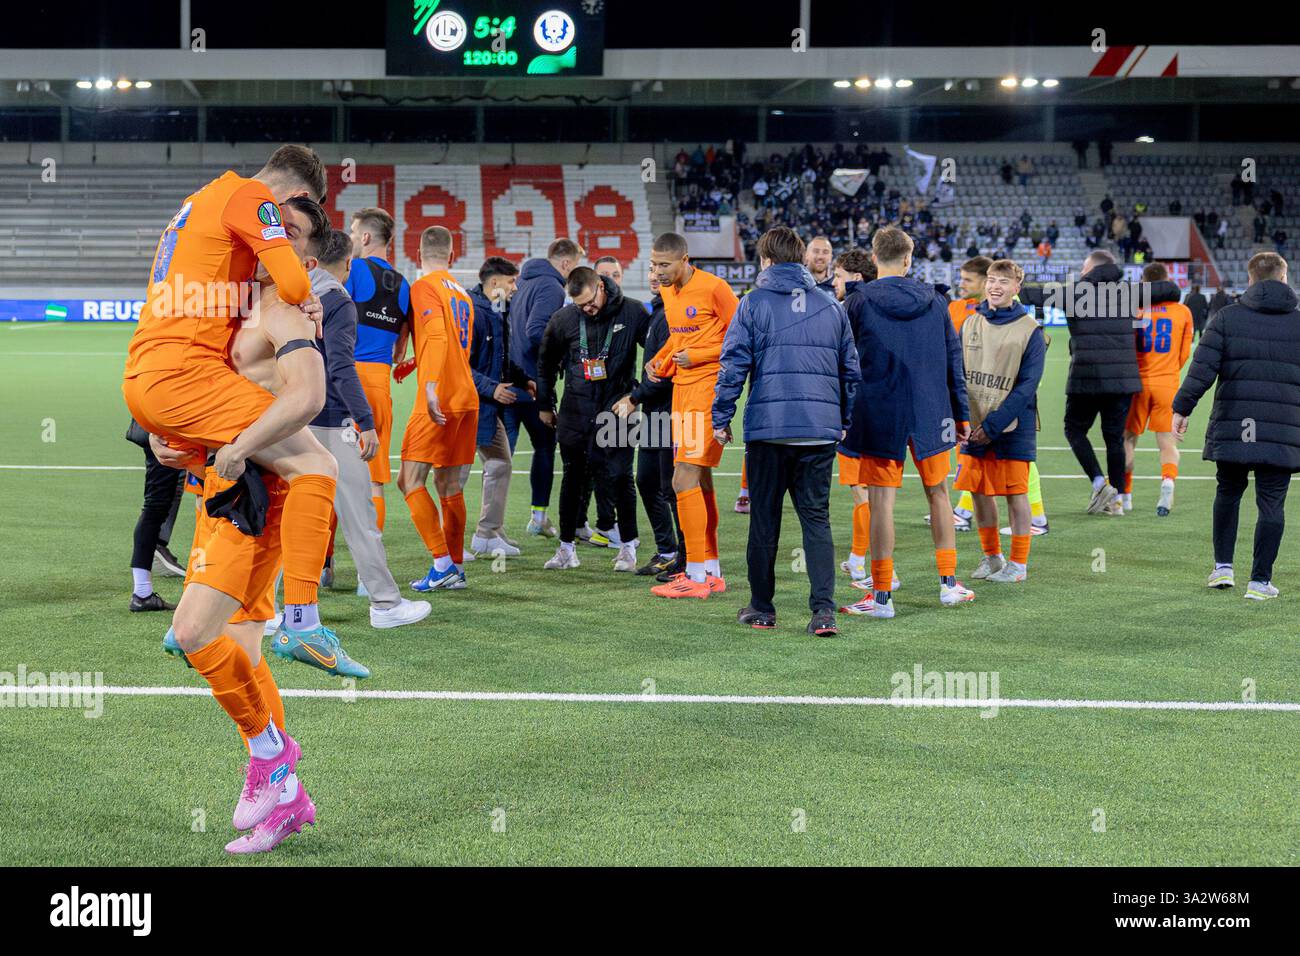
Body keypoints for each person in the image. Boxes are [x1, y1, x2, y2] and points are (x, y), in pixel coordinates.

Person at [122, 147, 346, 839]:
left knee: (192, 635)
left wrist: (240, 446)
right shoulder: (235, 295)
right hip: (222, 487)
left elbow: (308, 397)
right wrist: (175, 438)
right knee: (233, 654)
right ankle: (280, 788)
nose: (275, 243)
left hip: (255, 496)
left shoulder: (281, 304)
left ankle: (300, 643)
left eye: (292, 238)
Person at [713, 226, 860, 635]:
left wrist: (721, 418)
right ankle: (823, 611)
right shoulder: (831, 305)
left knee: (764, 520)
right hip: (818, 431)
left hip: (769, 431)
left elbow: (733, 366)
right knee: (817, 520)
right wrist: (842, 420)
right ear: (800, 260)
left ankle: (762, 607)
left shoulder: (752, 303)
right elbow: (851, 371)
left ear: (765, 261)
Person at [837, 226, 972, 619]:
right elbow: (953, 362)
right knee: (940, 493)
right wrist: (961, 414)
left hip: (878, 410)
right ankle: (948, 585)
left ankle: (881, 597)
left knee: (881, 503)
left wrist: (842, 413)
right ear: (909, 259)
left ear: (874, 258)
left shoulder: (857, 300)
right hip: (931, 411)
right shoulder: (935, 300)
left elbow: (844, 363)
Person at [303, 225, 431, 629]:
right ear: (346, 263)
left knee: (292, 512)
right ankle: (383, 602)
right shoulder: (342, 295)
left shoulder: (292, 294)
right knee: (361, 503)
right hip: (347, 403)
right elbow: (346, 364)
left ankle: (281, 609)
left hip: (294, 412)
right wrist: (365, 423)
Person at [1173, 252, 1300, 599]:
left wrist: (1182, 408)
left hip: (1236, 423)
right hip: (1282, 428)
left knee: (1228, 491)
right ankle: (1259, 582)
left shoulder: (1227, 318)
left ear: (1250, 279)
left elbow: (1202, 369)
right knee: (1272, 502)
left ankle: (1223, 568)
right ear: (1284, 278)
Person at [1019, 249, 1177, 514]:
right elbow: (1171, 289)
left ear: (1091, 270)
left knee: (1074, 429)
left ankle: (1099, 482)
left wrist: (1015, 279)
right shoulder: (1128, 292)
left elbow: (1028, 294)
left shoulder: (1072, 292)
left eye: (1084, 268)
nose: (1081, 272)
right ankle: (1116, 501)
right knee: (1114, 438)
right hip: (1123, 381)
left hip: (1087, 376)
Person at [643, 232, 740, 599]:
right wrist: (662, 359)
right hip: (682, 390)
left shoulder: (715, 288)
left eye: (664, 265)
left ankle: (695, 576)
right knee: (700, 482)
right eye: (654, 264)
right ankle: (711, 570)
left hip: (707, 390)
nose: (658, 272)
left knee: (682, 480)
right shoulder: (668, 292)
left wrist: (698, 357)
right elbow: (679, 338)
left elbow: (740, 337)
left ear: (685, 259)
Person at [540, 267, 648, 572]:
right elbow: (546, 363)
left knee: (620, 476)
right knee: (572, 478)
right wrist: (545, 404)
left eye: (590, 302)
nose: (587, 309)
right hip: (575, 412)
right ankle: (566, 549)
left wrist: (638, 394)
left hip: (617, 411)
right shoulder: (564, 319)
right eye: (580, 305)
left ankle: (627, 548)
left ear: (600, 286)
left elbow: (656, 356)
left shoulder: (633, 312)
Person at [953, 260, 1046, 584]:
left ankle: (1018, 565)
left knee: (1015, 493)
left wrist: (991, 427)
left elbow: (1026, 388)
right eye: (992, 280)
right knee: (978, 491)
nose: (995, 286)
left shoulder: (1030, 330)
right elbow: (957, 373)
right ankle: (992, 557)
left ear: (1016, 287)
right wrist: (962, 418)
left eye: (1003, 281)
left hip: (1011, 425)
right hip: (973, 425)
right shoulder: (970, 322)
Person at [399, 226, 479, 592]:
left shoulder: (423, 287)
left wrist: (428, 386)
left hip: (440, 399)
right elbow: (451, 345)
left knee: (409, 480)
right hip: (467, 398)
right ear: (452, 254)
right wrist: (415, 364)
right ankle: (456, 567)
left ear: (418, 253)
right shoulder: (462, 292)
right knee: (448, 486)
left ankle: (441, 562)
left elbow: (436, 335)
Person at [507, 238, 585, 539]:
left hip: (511, 381)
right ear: (566, 263)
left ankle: (491, 528)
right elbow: (537, 331)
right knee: (544, 447)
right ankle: (538, 517)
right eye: (575, 264)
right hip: (532, 384)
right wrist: (566, 353)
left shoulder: (523, 283)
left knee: (502, 457)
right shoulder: (552, 287)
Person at [346, 207, 411, 542]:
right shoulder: (404, 285)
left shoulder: (353, 269)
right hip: (379, 385)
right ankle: (366, 572)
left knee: (328, 472)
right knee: (374, 478)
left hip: (345, 381)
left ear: (367, 237)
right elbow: (401, 352)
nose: (352, 239)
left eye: (355, 233)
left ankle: (325, 565)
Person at [624, 273, 685, 579]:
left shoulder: (674, 315)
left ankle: (687, 558)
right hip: (655, 413)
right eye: (650, 267)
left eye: (661, 267)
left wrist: (634, 397)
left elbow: (665, 374)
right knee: (647, 480)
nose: (652, 274)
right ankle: (668, 550)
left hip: (672, 411)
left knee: (674, 487)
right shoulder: (658, 312)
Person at [1122, 262, 1194, 516]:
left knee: (1128, 439)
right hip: (1168, 383)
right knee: (1167, 442)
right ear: (1167, 281)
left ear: (1144, 283)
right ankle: (1167, 482)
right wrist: (1170, 370)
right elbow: (1185, 354)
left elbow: (1127, 347)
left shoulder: (1137, 310)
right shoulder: (1183, 312)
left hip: (1137, 383)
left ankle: (1125, 496)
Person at [466, 256, 523, 559]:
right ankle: (449, 548)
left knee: (500, 463)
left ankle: (488, 532)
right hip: (466, 408)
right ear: (495, 282)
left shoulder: (494, 311)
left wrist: (521, 379)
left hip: (484, 408)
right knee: (454, 478)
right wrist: (492, 389)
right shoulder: (473, 312)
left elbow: (496, 361)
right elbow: (459, 366)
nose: (515, 287)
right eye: (512, 281)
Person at [127, 421, 182, 611]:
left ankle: (142, 592)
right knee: (156, 506)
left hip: (160, 428)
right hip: (169, 432)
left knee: (156, 504)